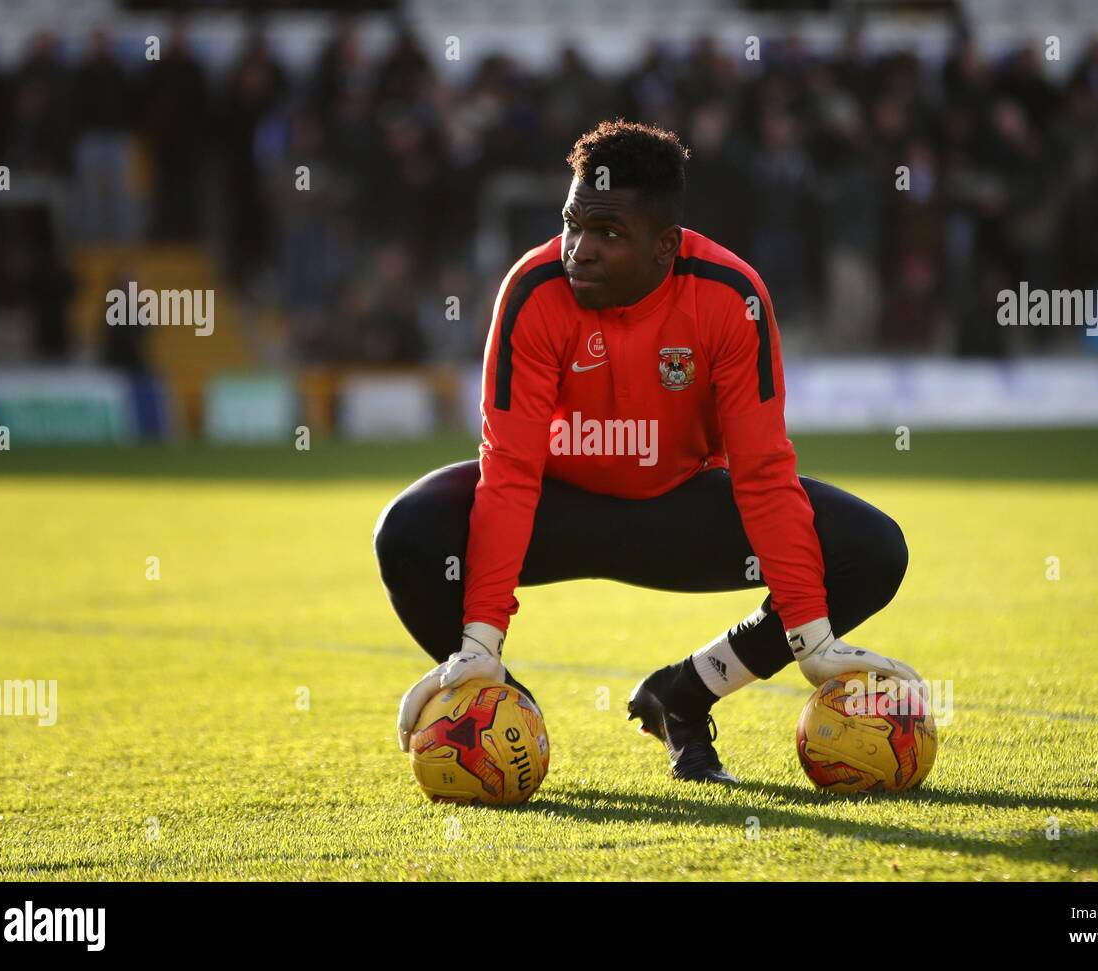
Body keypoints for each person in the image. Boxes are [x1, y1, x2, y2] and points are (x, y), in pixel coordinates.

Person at [375, 119, 919, 784]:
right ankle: (503, 720)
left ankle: (683, 696)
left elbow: (764, 475)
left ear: (666, 247)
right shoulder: (532, 291)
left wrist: (812, 639)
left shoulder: (729, 295)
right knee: (408, 531)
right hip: (559, 510)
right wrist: (481, 641)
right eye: (574, 223)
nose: (580, 249)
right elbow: (510, 473)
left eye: (609, 234)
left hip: (680, 511)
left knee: (873, 549)